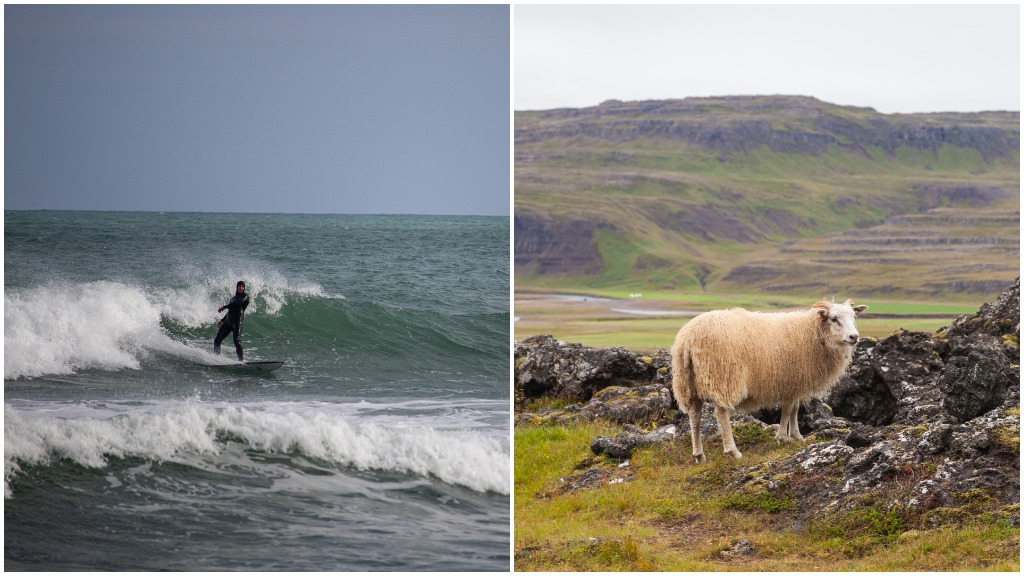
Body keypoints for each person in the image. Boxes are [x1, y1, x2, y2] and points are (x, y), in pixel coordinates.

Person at [214, 280, 250, 361]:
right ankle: (216, 358)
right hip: (228, 321)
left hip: (237, 322)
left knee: (236, 341)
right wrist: (222, 320)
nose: (241, 288)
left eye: (242, 286)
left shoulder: (245, 296)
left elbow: (236, 304)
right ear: (237, 287)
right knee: (217, 340)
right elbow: (230, 311)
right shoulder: (233, 298)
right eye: (239, 286)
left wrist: (224, 307)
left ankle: (241, 361)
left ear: (244, 288)